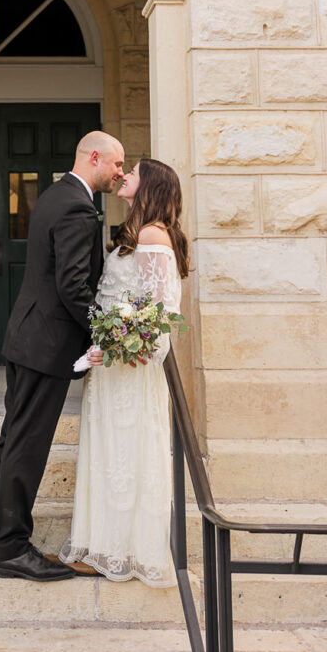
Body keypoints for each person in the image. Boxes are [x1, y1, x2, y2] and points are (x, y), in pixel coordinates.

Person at [0, 131, 124, 582]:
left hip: (26, 337)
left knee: (11, 440)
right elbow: (73, 286)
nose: (119, 172)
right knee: (27, 446)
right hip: (46, 345)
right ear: (94, 157)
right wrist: (107, 333)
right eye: (116, 164)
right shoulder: (78, 206)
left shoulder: (56, 195)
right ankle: (13, 547)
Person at [58, 157, 189, 585]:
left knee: (124, 454)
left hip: (127, 367)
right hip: (110, 362)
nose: (124, 176)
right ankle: (103, 547)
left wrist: (121, 345)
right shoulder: (139, 233)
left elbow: (161, 308)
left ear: (148, 185)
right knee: (108, 453)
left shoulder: (153, 235)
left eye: (131, 171)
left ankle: (124, 550)